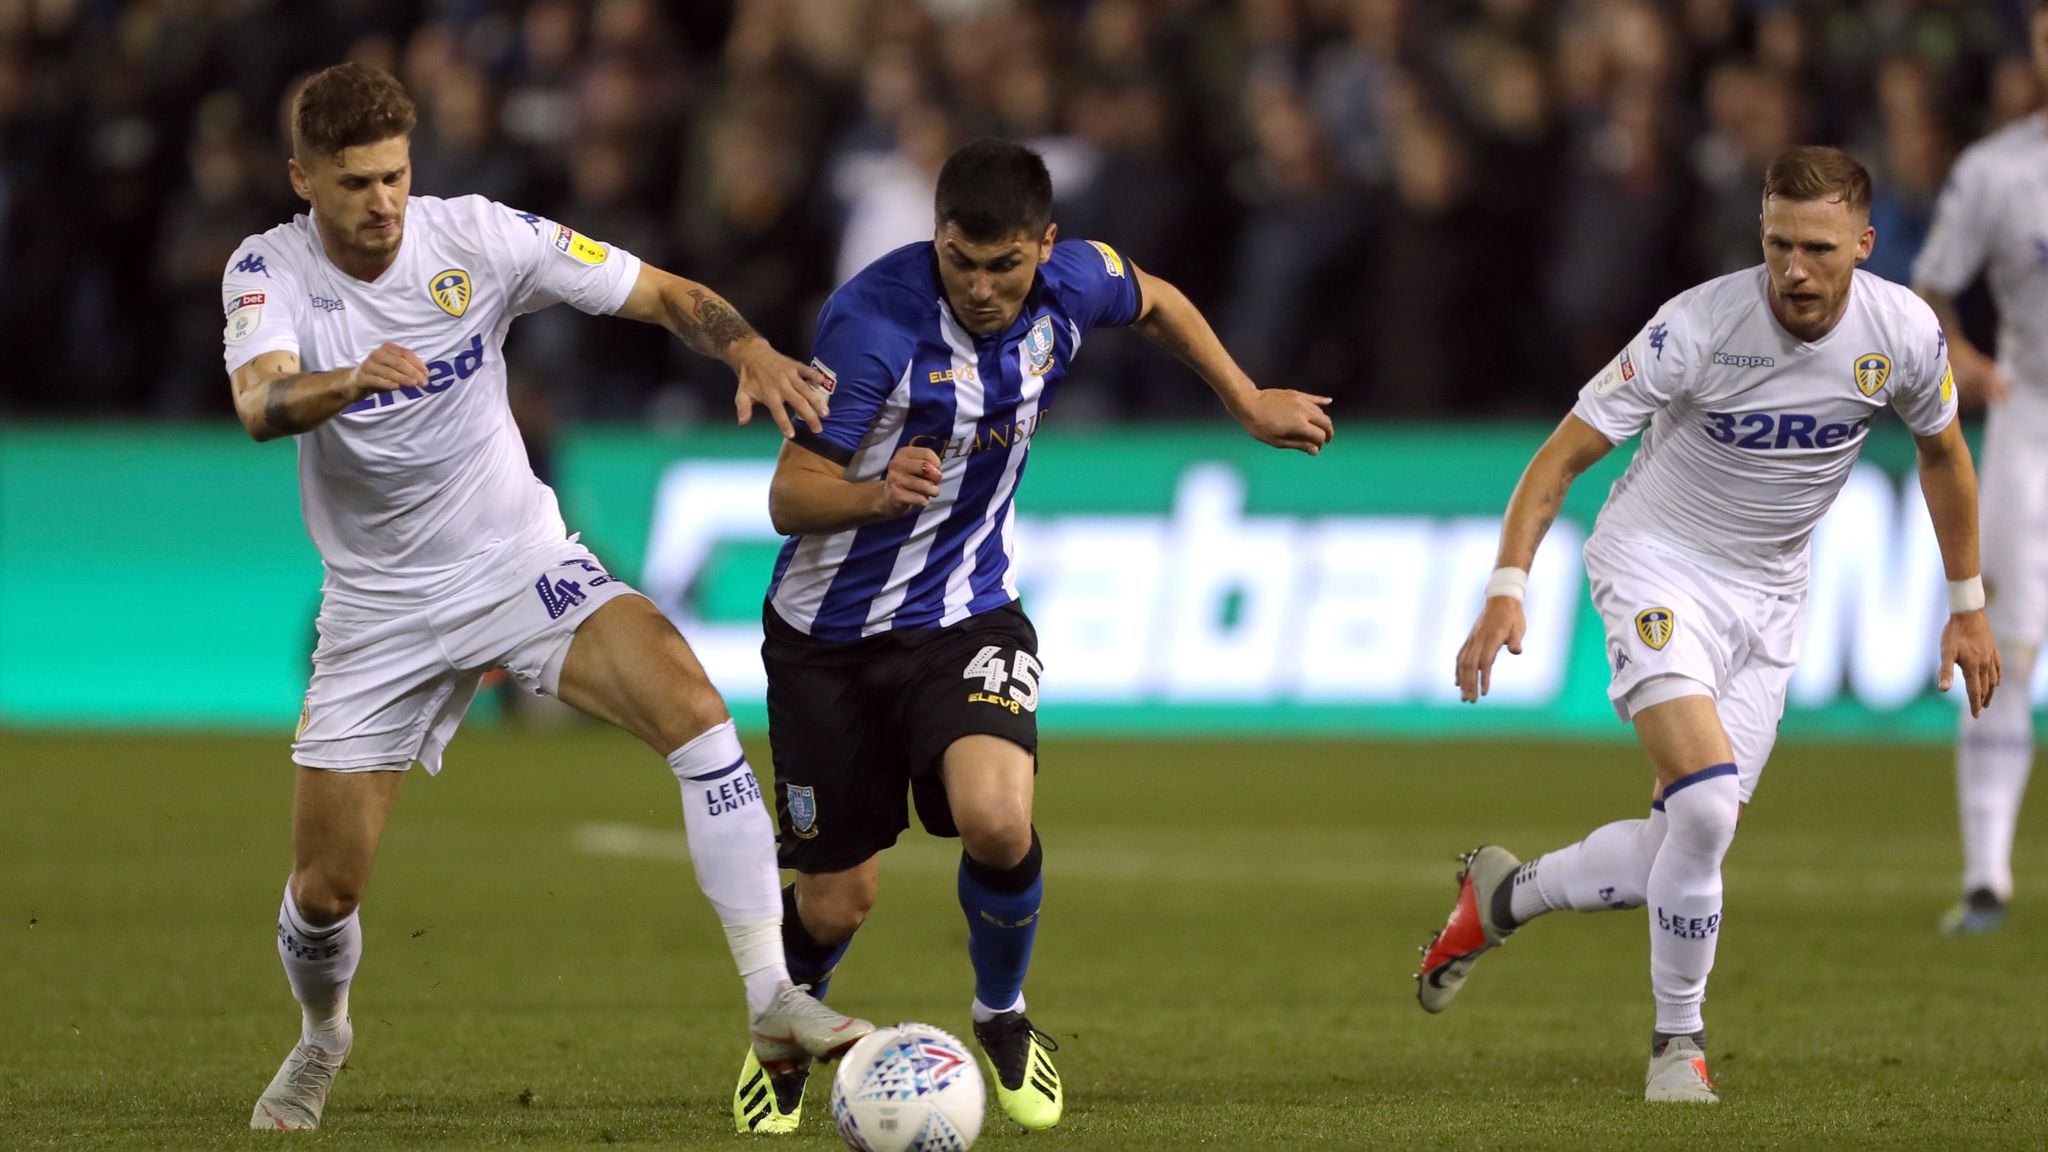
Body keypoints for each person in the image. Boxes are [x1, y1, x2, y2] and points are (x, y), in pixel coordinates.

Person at [222, 62, 870, 1133]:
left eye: (392, 175)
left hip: (517, 560)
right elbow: (259, 401)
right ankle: (322, 1033)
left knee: (698, 717)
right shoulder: (269, 269)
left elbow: (661, 292)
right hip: (377, 607)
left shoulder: (475, 235)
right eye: (352, 184)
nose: (380, 201)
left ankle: (771, 999)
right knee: (325, 892)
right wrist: (349, 380)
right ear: (303, 180)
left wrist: (747, 345)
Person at [730, 138, 1334, 1135]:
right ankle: (785, 1029)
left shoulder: (1074, 282)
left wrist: (1245, 401)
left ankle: (1000, 1014)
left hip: (966, 613)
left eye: (1001, 266)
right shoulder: (873, 325)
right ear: (936, 238)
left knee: (996, 819)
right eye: (959, 261)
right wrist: (877, 493)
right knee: (837, 904)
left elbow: (1160, 300)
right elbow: (789, 495)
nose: (978, 286)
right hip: (825, 642)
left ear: (1041, 246)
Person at [1418, 146, 1999, 1103]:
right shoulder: (1694, 328)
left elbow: (1942, 452)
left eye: (1817, 248)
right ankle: (1676, 1047)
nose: (1794, 271)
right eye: (1778, 245)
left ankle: (1503, 896)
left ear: (1864, 242)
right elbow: (1560, 458)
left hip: (1772, 596)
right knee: (1701, 806)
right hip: (1657, 566)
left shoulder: (1903, 332)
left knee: (1688, 843)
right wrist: (1507, 583)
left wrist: (1968, 607)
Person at [1912, 0, 2048, 937]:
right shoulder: (1997, 172)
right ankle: (1989, 874)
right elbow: (1930, 293)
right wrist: (1962, 354)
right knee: (2009, 641)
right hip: (2033, 425)